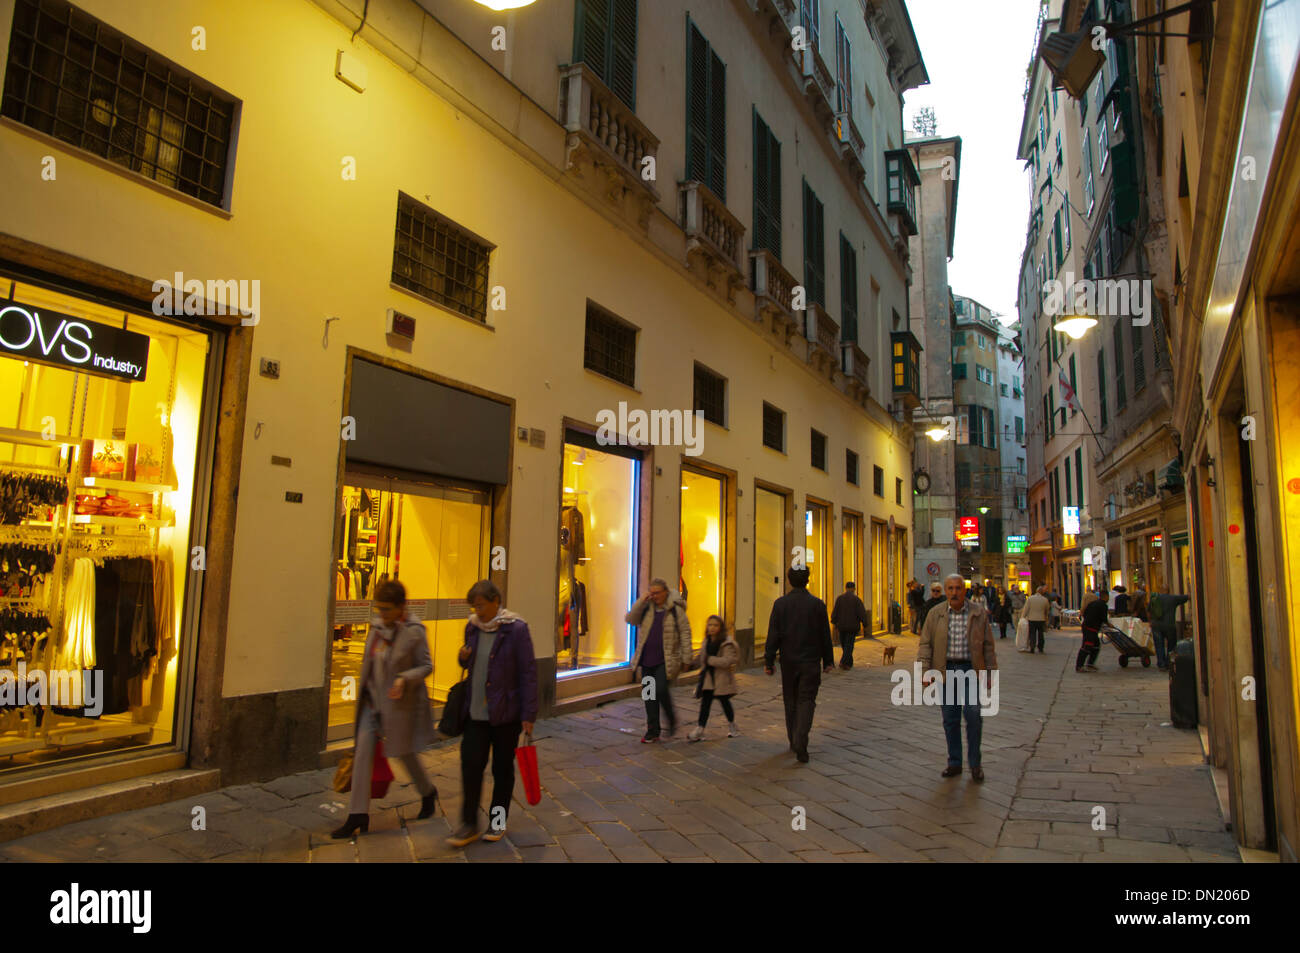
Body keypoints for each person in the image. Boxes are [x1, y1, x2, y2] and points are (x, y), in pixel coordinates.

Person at [332, 579, 437, 839]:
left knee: (404, 754)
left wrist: (405, 678)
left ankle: (427, 791)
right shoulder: (377, 628)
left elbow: (426, 666)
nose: (382, 614)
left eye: (387, 609)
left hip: (400, 706)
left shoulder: (414, 631)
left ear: (402, 607)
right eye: (379, 608)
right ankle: (357, 814)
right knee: (363, 754)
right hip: (372, 704)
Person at [446, 579, 538, 848]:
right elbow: (471, 662)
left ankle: (497, 822)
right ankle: (468, 824)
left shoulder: (516, 630)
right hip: (475, 713)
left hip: (505, 715)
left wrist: (529, 714)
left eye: (481, 605)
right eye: (474, 606)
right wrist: (462, 657)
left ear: (496, 601)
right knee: (470, 767)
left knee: (502, 771)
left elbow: (528, 673)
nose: (478, 611)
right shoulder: (472, 627)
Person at [918, 573, 998, 783]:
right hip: (947, 671)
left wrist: (990, 673)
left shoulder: (978, 613)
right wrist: (926, 671)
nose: (954, 593)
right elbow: (926, 644)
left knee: (974, 716)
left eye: (958, 588)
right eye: (950, 589)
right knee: (950, 719)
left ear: (965, 590)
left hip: (971, 670)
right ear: (946, 591)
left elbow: (988, 646)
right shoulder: (936, 614)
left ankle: (975, 764)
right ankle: (954, 762)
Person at [764, 566, 834, 763]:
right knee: (807, 700)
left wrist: (769, 660)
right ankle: (801, 736)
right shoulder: (818, 605)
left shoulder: (780, 604)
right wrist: (828, 660)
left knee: (790, 700)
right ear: (808, 580)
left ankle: (793, 738)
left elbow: (773, 635)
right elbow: (825, 636)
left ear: (789, 580)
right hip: (811, 661)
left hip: (789, 661)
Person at [627, 578, 693, 743]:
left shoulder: (675, 611)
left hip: (666, 659)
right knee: (649, 695)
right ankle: (652, 730)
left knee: (661, 689)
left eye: (657, 593)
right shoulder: (647, 608)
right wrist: (641, 601)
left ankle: (671, 718)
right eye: (652, 593)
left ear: (666, 592)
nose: (655, 596)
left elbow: (685, 633)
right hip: (647, 659)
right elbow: (630, 619)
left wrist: (687, 658)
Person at [688, 615, 739, 741]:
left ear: (720, 627)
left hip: (721, 679)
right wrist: (692, 663)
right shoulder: (707, 640)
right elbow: (702, 656)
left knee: (724, 702)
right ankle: (700, 729)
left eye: (715, 625)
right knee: (705, 704)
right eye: (710, 625)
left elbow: (728, 661)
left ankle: (732, 725)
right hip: (708, 679)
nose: (712, 628)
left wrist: (710, 660)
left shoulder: (726, 643)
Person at [831, 581, 871, 669]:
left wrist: (834, 622)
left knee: (844, 644)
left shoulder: (840, 599)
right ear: (853, 589)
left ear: (845, 588)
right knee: (849, 645)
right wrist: (865, 624)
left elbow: (835, 612)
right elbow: (862, 613)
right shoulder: (856, 600)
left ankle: (848, 662)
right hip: (852, 627)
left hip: (841, 626)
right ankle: (844, 662)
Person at [1149, 589, 1191, 670]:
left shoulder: (1154, 599)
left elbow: (1149, 610)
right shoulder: (1173, 598)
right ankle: (1169, 662)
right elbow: (1186, 597)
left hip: (1156, 625)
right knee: (1171, 644)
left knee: (1159, 645)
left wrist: (1151, 622)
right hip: (1169, 625)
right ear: (1168, 591)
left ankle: (1161, 663)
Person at [1079, 587, 1108, 673]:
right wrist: (1111, 626)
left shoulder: (1093, 603)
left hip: (1087, 626)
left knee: (1096, 645)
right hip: (1090, 628)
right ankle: (1079, 666)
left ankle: (1090, 664)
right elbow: (1104, 619)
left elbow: (1084, 609)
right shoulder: (1103, 605)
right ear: (1105, 596)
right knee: (1087, 646)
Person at [1022, 585, 1050, 654]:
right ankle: (1040, 647)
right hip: (1041, 619)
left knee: (1032, 633)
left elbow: (1026, 609)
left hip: (1032, 619)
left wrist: (1023, 617)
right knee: (1041, 634)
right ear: (1042, 592)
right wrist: (1046, 618)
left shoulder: (1030, 599)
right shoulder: (1045, 600)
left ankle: (1032, 647)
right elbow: (1047, 610)